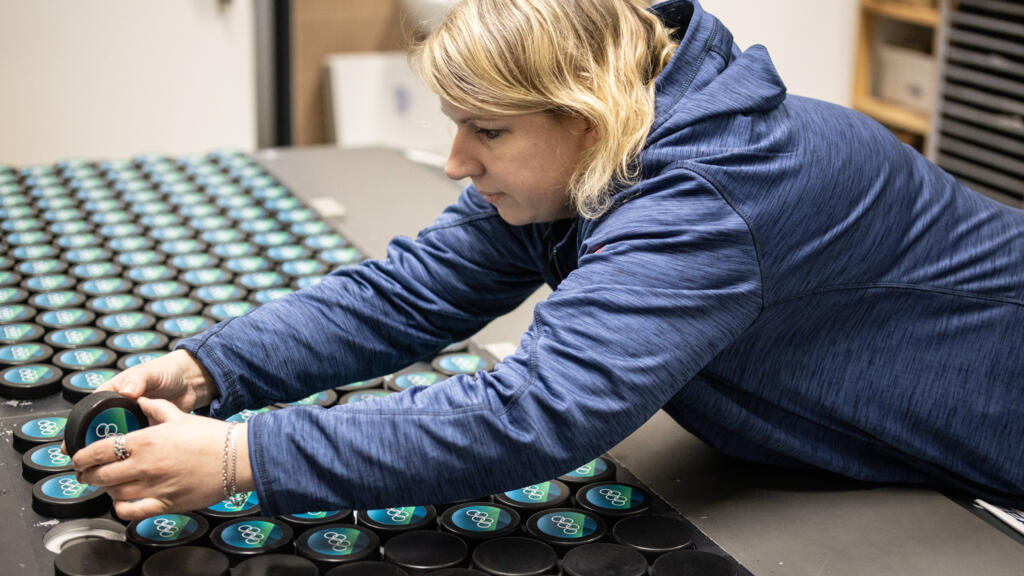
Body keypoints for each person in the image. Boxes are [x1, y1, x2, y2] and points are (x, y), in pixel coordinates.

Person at [70, 0, 1024, 521]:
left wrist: (244, 457)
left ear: (589, 113)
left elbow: (536, 412)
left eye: (486, 130)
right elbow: (412, 292)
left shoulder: (710, 194)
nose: (456, 163)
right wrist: (210, 369)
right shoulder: (602, 141)